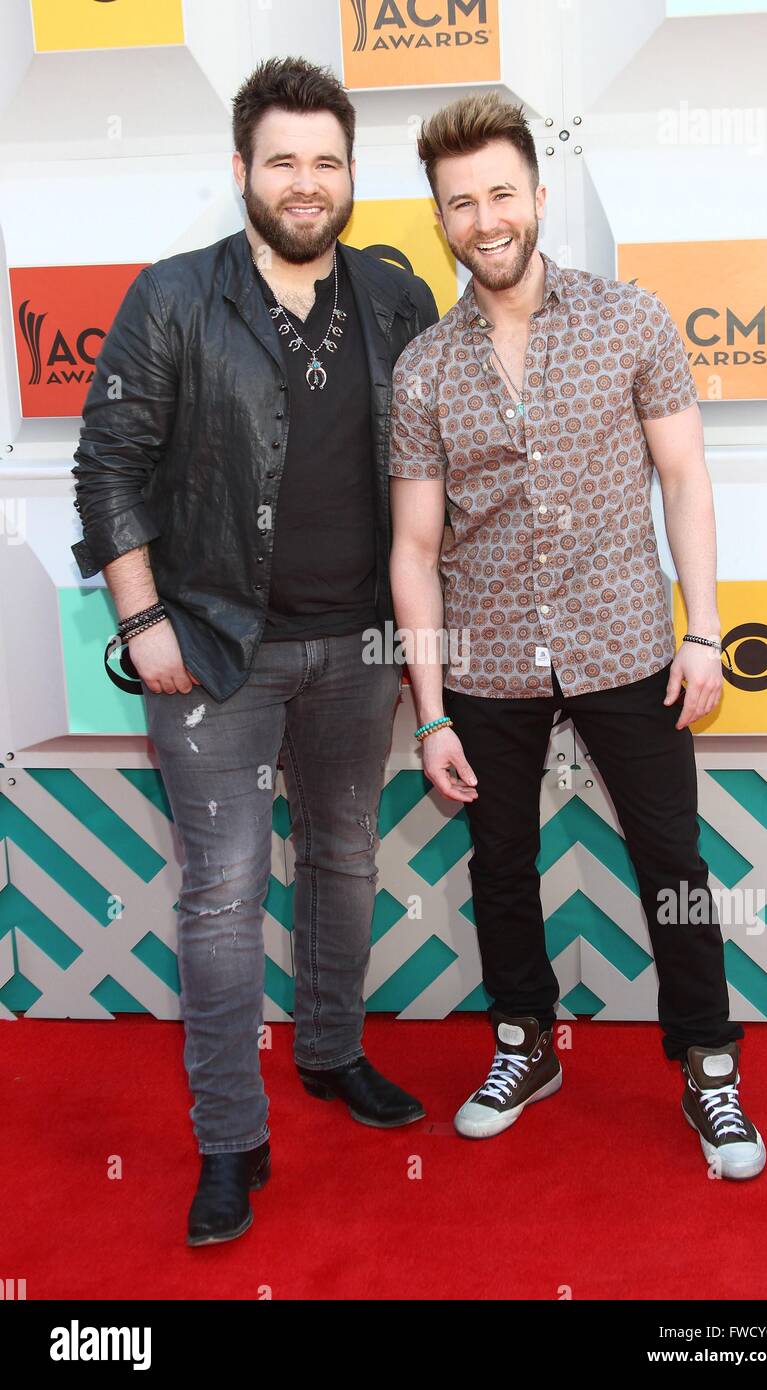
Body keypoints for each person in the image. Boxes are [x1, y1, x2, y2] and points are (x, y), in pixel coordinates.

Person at [71, 56, 439, 1247]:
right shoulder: (174, 296)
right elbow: (108, 467)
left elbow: (427, 475)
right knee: (224, 898)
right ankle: (230, 1137)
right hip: (213, 651)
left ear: (349, 176)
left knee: (343, 861)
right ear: (242, 170)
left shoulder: (394, 297)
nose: (305, 181)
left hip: (358, 649)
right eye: (282, 159)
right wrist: (142, 620)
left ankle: (331, 1054)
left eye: (326, 161)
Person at [387, 93, 765, 1180]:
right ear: (442, 221)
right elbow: (415, 551)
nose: (484, 218)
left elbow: (686, 477)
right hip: (490, 656)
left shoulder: (630, 319)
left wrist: (706, 633)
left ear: (538, 197)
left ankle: (706, 1066)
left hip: (627, 638)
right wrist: (429, 713)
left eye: (501, 192)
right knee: (499, 863)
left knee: (672, 862)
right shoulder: (424, 369)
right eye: (460, 203)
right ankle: (525, 1044)